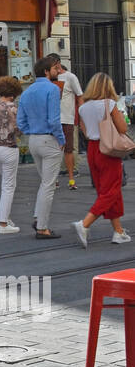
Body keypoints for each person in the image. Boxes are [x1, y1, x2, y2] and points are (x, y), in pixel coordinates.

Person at [72, 73, 131, 247]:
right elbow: (122, 127)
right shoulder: (110, 104)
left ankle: (118, 231)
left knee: (105, 190)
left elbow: (84, 131)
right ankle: (85, 224)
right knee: (112, 189)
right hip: (108, 150)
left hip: (92, 149)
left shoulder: (83, 107)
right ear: (108, 87)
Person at [16, 54, 64, 239]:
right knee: (48, 185)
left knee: (44, 182)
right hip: (48, 139)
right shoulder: (52, 89)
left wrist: (31, 131)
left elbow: (21, 121)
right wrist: (61, 139)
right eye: (55, 68)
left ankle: (39, 218)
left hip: (34, 139)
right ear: (46, 71)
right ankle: (42, 227)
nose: (58, 71)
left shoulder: (27, 91)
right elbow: (54, 119)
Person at [0, 76, 22, 234]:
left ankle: (6, 218)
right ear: (14, 93)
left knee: (6, 183)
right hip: (8, 148)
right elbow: (18, 129)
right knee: (8, 186)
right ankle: (3, 223)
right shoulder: (12, 107)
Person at [57, 66, 83, 190]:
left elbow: (80, 97)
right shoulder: (48, 79)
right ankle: (59, 174)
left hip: (69, 118)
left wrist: (81, 117)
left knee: (70, 147)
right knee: (55, 149)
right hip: (55, 119)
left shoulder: (70, 77)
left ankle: (73, 173)